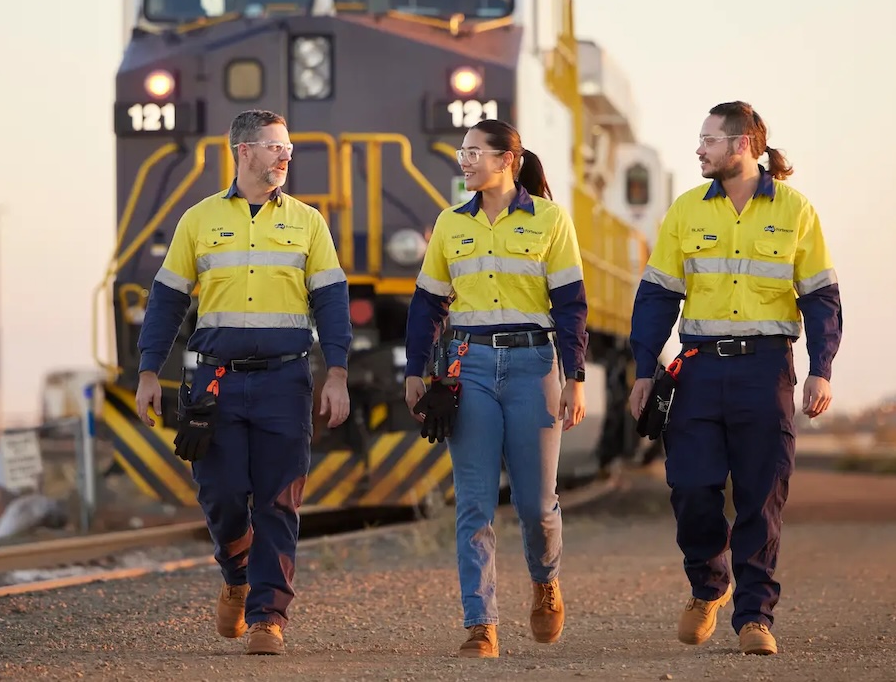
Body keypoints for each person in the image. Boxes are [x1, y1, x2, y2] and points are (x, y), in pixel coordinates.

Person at [134, 108, 353, 657]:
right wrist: (147, 373)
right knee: (223, 496)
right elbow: (166, 301)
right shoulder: (198, 220)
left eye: (288, 148)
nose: (285, 156)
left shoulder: (308, 222)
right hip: (215, 385)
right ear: (243, 152)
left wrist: (338, 375)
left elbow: (332, 301)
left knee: (279, 502)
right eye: (274, 146)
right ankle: (235, 572)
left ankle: (267, 617)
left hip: (286, 383)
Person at [627, 100, 842, 656]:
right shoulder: (685, 212)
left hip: (766, 371)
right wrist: (643, 369)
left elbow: (820, 297)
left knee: (759, 497)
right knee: (692, 489)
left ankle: (754, 618)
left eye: (709, 139)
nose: (699, 148)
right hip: (698, 370)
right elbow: (656, 295)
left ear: (742, 143)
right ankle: (708, 585)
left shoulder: (796, 211)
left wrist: (821, 369)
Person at [402, 118, 589, 659]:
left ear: (508, 159)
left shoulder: (551, 220)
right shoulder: (449, 223)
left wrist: (574, 377)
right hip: (469, 366)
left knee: (536, 504)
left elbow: (572, 306)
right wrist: (417, 370)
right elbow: (427, 304)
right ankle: (480, 624)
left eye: (474, 153)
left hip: (535, 365)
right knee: (475, 504)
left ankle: (545, 581)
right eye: (461, 153)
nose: (464, 161)